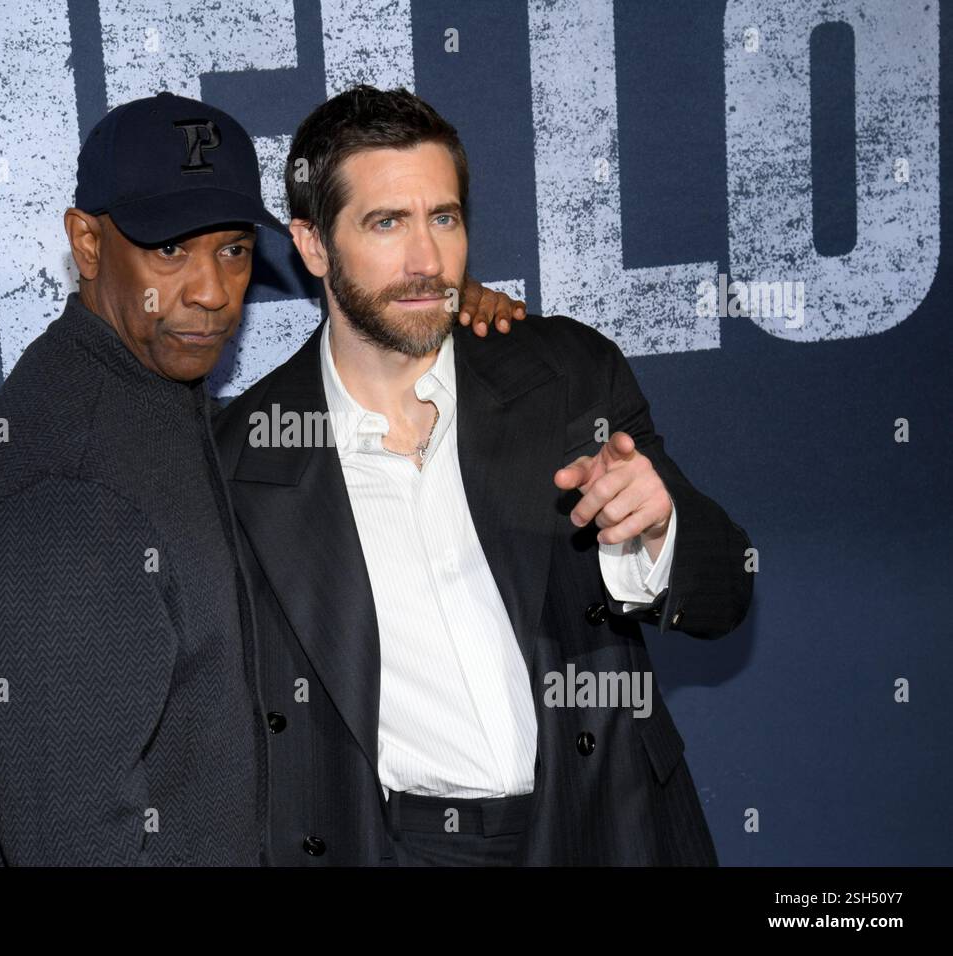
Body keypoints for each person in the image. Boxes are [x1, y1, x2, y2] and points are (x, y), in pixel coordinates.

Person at [0, 90, 525, 865]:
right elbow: (72, 844)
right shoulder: (70, 493)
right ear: (86, 243)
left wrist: (437, 317)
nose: (211, 291)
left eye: (233, 249)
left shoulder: (160, 406)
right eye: (169, 250)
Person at [213, 86, 754, 866]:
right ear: (313, 245)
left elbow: (728, 590)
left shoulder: (565, 374)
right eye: (386, 223)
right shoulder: (242, 460)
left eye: (444, 217)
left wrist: (662, 529)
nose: (428, 261)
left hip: (609, 824)